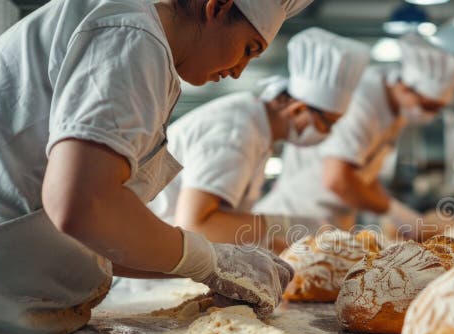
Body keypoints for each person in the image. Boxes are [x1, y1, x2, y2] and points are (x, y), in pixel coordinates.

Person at [0, 0, 311, 334]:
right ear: (217, 7)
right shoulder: (133, 35)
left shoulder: (132, 33)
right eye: (248, 47)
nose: (241, 70)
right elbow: (81, 205)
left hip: (11, 307)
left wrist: (213, 266)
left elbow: (91, 233)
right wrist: (209, 259)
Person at [148, 28, 369, 255]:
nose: (328, 133)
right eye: (327, 123)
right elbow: (197, 225)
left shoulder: (256, 129)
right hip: (149, 279)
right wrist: (279, 229)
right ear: (297, 109)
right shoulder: (237, 131)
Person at [254, 34, 454, 240]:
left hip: (330, 223)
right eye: (426, 106)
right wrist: (401, 215)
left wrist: (399, 215)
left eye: (436, 109)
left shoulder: (396, 113)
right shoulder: (364, 103)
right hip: (296, 218)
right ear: (404, 88)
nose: (429, 115)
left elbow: (363, 174)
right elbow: (337, 179)